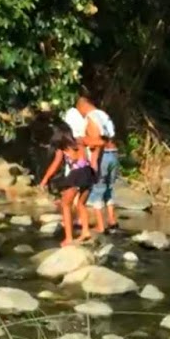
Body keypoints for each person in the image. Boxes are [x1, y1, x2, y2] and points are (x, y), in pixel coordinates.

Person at [39, 124, 95, 247]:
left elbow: (56, 164)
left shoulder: (63, 148)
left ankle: (69, 238)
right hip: (88, 172)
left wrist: (45, 179)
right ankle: (85, 231)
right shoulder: (79, 142)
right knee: (81, 204)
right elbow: (94, 144)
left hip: (77, 174)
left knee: (65, 204)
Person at [76, 92, 120, 237]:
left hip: (102, 156)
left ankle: (101, 226)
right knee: (109, 187)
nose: (80, 114)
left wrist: (83, 141)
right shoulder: (103, 114)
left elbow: (98, 141)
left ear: (83, 106)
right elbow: (109, 136)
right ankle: (112, 220)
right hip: (114, 153)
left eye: (79, 110)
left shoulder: (90, 118)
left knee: (97, 189)